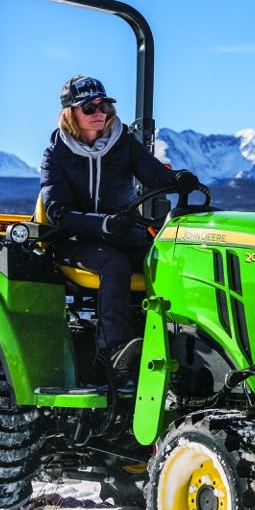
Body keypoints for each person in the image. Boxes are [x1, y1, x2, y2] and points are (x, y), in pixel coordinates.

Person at [39, 75, 200, 384]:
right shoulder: (56, 155)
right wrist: (102, 224)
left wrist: (177, 179)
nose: (99, 112)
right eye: (89, 107)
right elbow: (58, 212)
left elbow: (154, 174)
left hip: (122, 233)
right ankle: (115, 353)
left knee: (166, 260)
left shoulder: (122, 143)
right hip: (74, 239)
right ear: (71, 113)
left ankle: (183, 343)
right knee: (115, 264)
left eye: (104, 105)